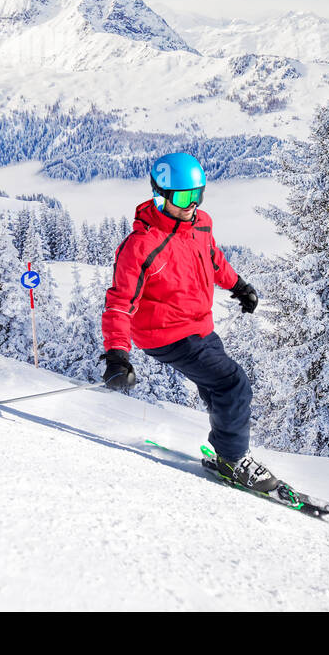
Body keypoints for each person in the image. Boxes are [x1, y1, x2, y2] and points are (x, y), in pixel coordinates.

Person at [100, 151, 281, 493]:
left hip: (199, 326)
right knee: (233, 383)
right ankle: (233, 461)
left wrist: (238, 285)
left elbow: (213, 260)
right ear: (161, 195)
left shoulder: (200, 224)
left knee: (219, 389)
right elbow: (120, 303)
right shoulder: (141, 246)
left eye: (197, 195)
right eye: (184, 197)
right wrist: (116, 355)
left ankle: (225, 451)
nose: (191, 205)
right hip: (164, 335)